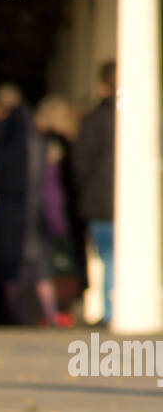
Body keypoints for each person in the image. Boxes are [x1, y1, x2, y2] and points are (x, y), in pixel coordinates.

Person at [0, 86, 65, 326]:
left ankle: (15, 317)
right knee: (42, 269)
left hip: (8, 216)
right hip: (37, 214)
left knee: (11, 270)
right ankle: (50, 314)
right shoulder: (44, 147)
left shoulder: (1, 148)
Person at [35, 94, 87, 316]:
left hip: (42, 209)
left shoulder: (37, 143)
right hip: (58, 210)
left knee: (47, 262)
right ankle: (59, 310)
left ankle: (49, 311)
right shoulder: (60, 145)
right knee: (63, 262)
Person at [72, 60, 116, 326]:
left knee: (107, 256)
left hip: (99, 201)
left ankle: (110, 312)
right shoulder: (141, 117)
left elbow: (81, 162)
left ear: (101, 87)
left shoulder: (94, 120)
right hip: (132, 203)